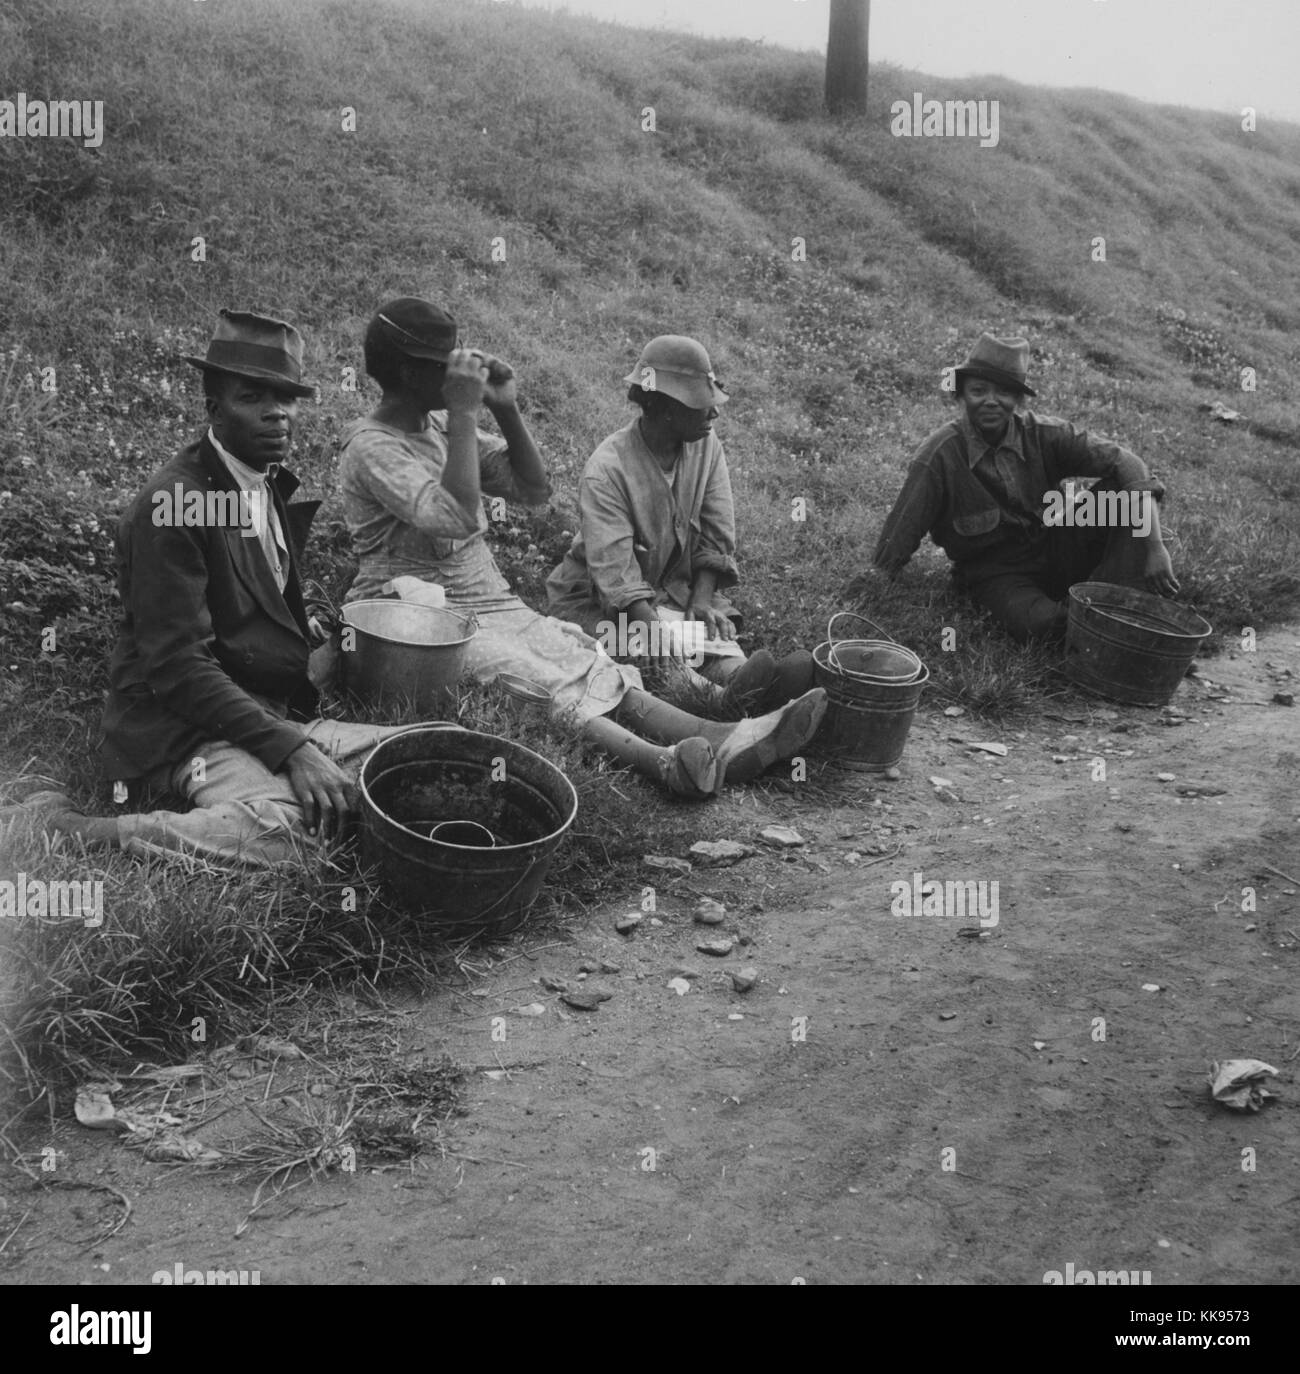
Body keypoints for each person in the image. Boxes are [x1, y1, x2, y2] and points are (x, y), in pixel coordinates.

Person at [336, 298, 827, 798]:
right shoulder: (373, 447)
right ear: (406, 371)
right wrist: (464, 413)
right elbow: (455, 517)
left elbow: (531, 490)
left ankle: (720, 735)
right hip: (415, 616)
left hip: (488, 600)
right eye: (446, 368)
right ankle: (663, 762)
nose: (459, 378)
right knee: (530, 677)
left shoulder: (439, 429)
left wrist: (504, 407)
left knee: (583, 656)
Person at [14, 309, 414, 865]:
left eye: (287, 397)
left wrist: (306, 635)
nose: (278, 413)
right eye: (254, 397)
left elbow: (244, 602)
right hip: (184, 727)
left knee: (424, 749)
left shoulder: (259, 480)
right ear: (213, 410)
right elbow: (178, 667)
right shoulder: (176, 503)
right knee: (296, 832)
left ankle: (307, 772)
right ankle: (76, 828)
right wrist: (293, 749)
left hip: (265, 708)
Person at [546, 335, 814, 711]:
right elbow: (618, 582)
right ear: (667, 408)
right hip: (601, 601)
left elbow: (717, 535)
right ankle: (715, 702)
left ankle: (745, 683)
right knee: (651, 651)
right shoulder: (607, 471)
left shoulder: (707, 445)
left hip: (673, 590)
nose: (714, 414)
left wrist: (702, 600)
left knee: (704, 635)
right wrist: (658, 635)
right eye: (703, 406)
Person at [854, 333, 1178, 642]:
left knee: (1121, 499)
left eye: (1004, 393)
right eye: (978, 390)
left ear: (1018, 399)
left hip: (1054, 546)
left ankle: (1115, 610)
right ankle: (1095, 623)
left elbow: (1128, 463)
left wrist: (1153, 547)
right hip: (997, 575)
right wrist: (875, 585)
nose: (991, 402)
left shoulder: (1044, 434)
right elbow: (901, 530)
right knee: (1042, 627)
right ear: (961, 394)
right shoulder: (939, 455)